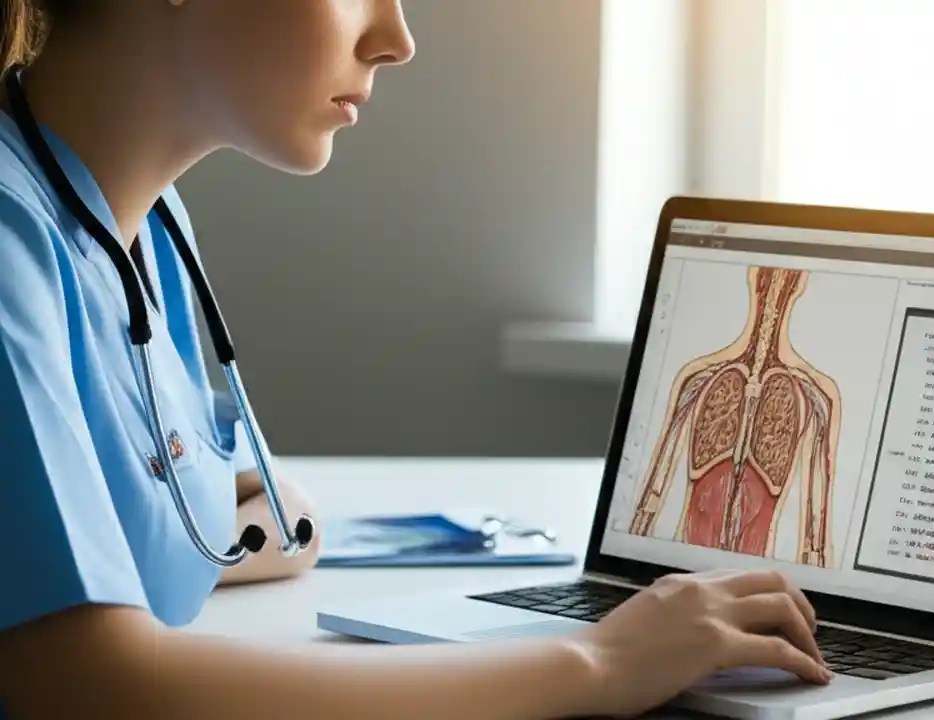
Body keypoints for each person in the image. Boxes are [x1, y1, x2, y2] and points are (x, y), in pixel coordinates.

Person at [0, 1, 833, 717]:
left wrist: (254, 521)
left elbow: (204, 507)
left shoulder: (143, 226)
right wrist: (598, 663)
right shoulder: (10, 242)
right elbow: (85, 681)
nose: (395, 38)